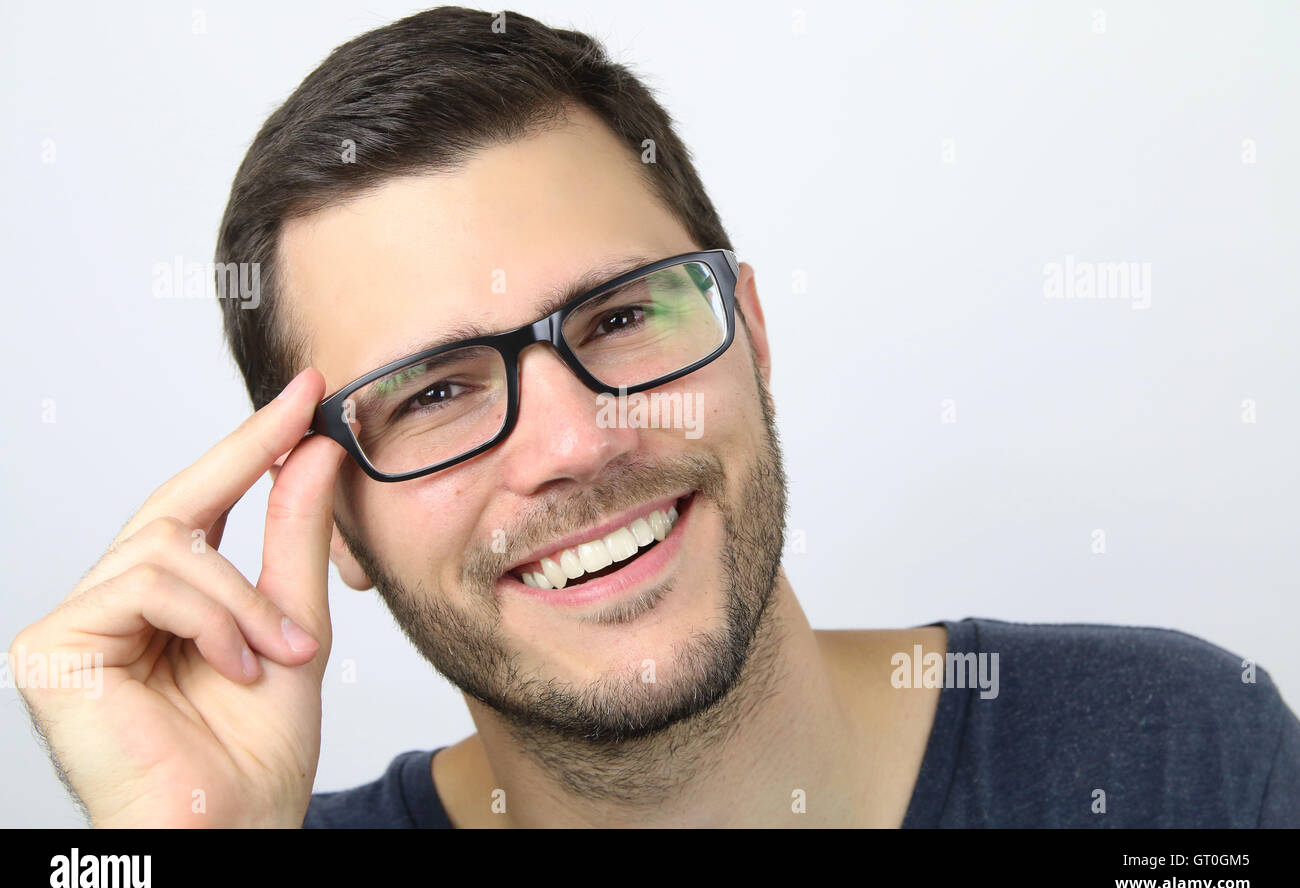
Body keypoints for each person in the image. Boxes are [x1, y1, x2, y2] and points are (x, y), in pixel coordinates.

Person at [12, 6, 1298, 828]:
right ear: (331, 520)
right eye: (438, 391)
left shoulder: (1180, 759)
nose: (575, 443)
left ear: (752, 330)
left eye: (622, 316)